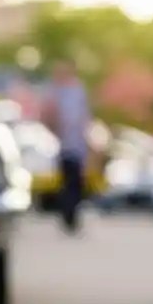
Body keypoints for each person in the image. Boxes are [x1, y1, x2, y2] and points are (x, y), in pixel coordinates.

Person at [42, 59, 91, 233]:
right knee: (68, 182)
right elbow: (47, 113)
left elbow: (85, 116)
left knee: (76, 183)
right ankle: (68, 217)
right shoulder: (55, 91)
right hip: (63, 145)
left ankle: (72, 216)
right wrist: (55, 130)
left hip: (78, 145)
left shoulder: (78, 90)